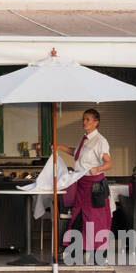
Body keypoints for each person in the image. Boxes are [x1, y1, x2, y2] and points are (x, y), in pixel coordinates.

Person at [54, 108, 112, 260]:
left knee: (95, 219)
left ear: (96, 122)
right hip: (81, 184)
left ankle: (99, 253)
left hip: (94, 186)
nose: (84, 122)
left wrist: (98, 168)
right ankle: (76, 250)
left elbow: (109, 163)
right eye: (83, 119)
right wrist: (60, 147)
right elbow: (77, 154)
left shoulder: (100, 141)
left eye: (88, 119)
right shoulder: (84, 138)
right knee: (79, 216)